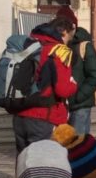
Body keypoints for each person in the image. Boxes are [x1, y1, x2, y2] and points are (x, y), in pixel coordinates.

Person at [12, 17, 79, 153]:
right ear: (64, 33)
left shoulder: (27, 47)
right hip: (43, 117)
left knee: (23, 162)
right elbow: (62, 90)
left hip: (20, 113)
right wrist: (73, 84)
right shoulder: (60, 51)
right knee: (40, 162)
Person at [48, 4, 96, 141]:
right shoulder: (56, 45)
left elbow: (94, 76)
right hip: (62, 103)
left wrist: (78, 97)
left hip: (80, 104)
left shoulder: (84, 45)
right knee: (63, 144)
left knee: (79, 144)